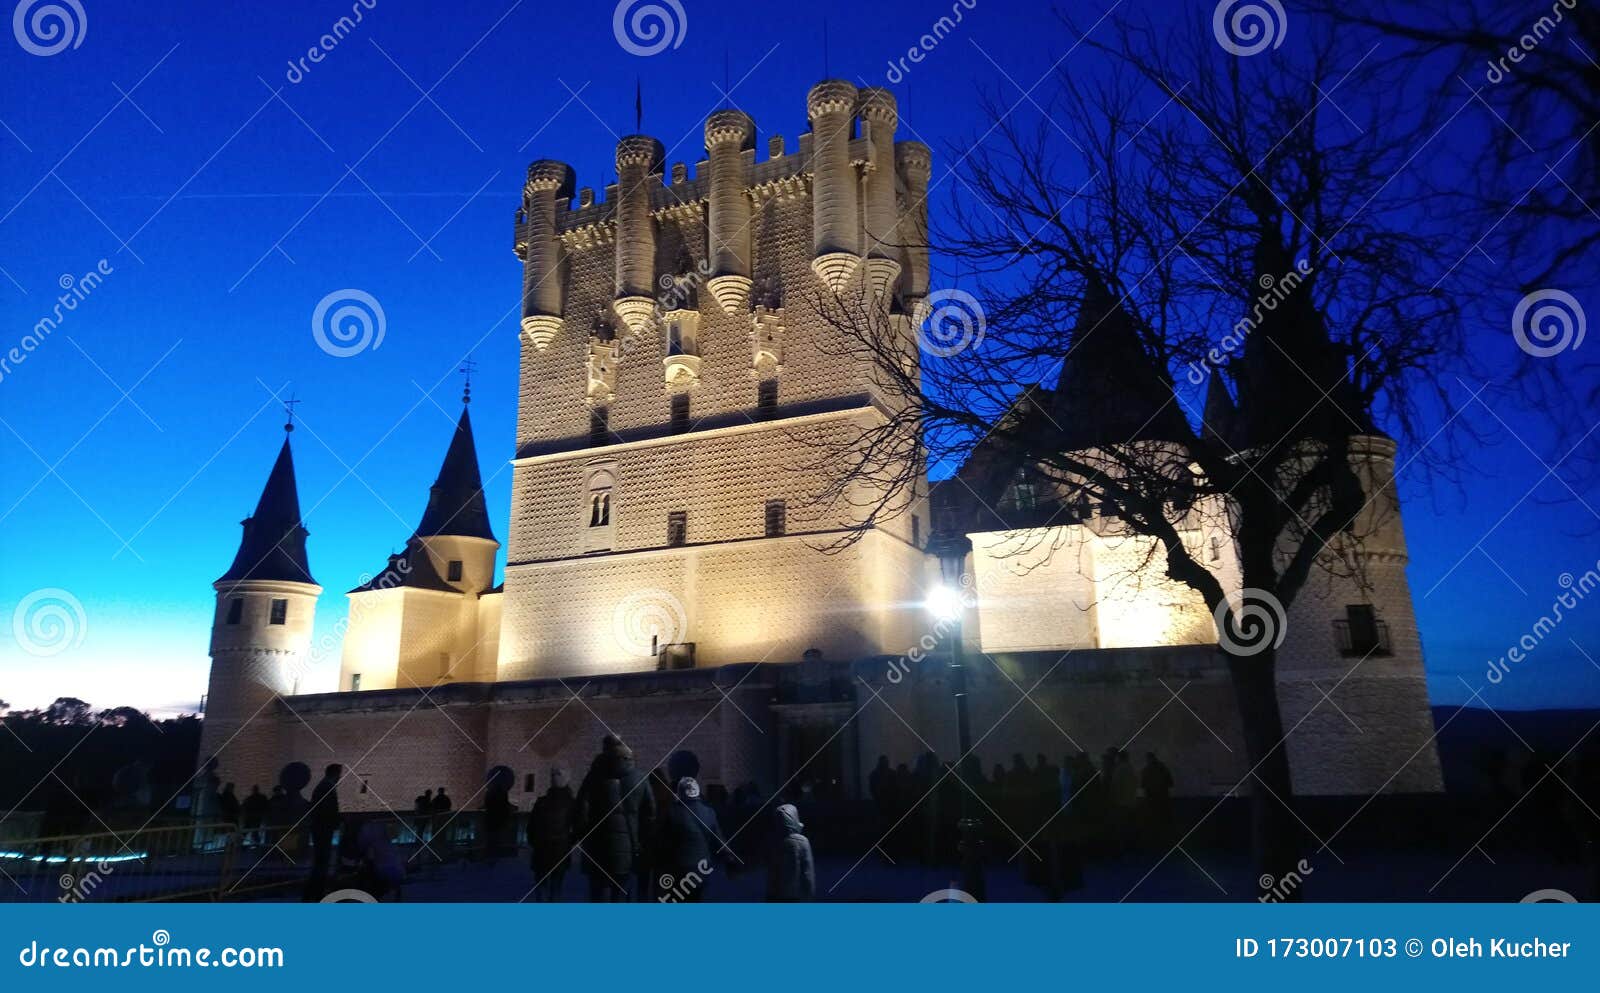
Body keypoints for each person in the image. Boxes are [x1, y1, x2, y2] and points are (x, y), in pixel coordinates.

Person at [658, 777, 727, 902]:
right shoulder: (709, 812)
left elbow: (663, 840)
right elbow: (719, 840)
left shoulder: (673, 812)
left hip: (679, 867)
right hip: (702, 867)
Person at [528, 768, 575, 901]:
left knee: (541, 887)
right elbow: (578, 826)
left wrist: (534, 842)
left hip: (541, 849)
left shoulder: (541, 802)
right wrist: (569, 841)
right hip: (561, 849)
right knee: (556, 886)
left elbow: (531, 827)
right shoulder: (571, 803)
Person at [302, 764, 342, 902]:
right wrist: (335, 822)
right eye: (339, 774)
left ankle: (313, 894)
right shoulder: (326, 787)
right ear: (334, 773)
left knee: (320, 863)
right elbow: (327, 809)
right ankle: (315, 894)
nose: (340, 777)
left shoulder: (324, 786)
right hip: (323, 829)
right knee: (321, 863)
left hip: (321, 829)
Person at [767, 803, 815, 902]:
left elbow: (758, 860)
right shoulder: (802, 842)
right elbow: (807, 871)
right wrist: (809, 895)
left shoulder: (772, 841)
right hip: (794, 896)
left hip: (774, 895)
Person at [353, 819, 405, 900]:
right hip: (381, 858)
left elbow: (362, 844)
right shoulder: (372, 827)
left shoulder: (372, 827)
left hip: (382, 858)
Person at [1140, 752, 1175, 845]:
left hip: (1151, 801)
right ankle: (1166, 842)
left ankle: (1155, 842)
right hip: (1163, 800)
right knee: (1164, 822)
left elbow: (1143, 785)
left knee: (1153, 823)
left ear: (1148, 760)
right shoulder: (1163, 768)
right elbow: (1171, 783)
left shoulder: (1146, 770)